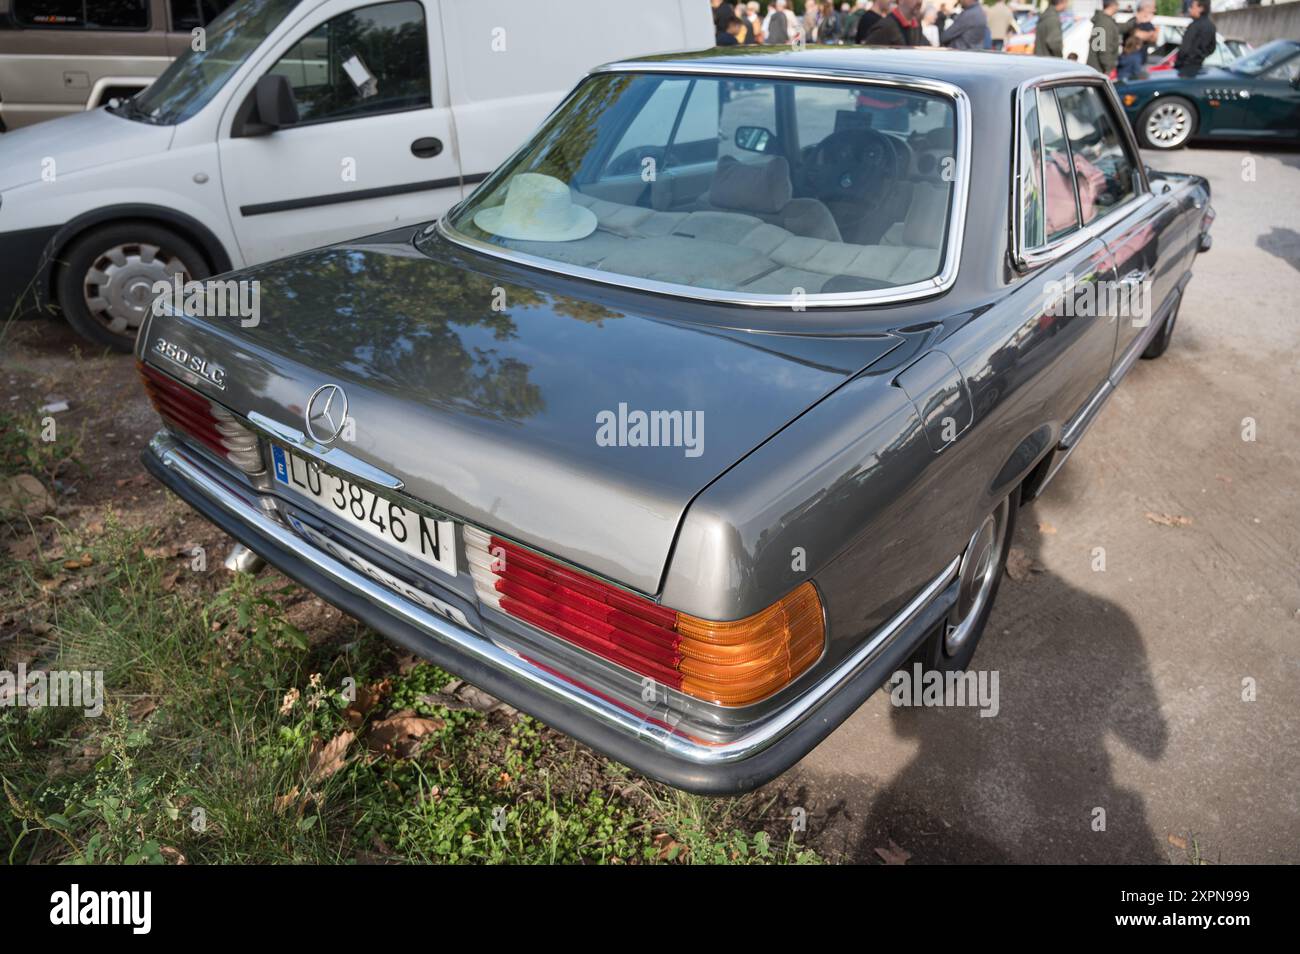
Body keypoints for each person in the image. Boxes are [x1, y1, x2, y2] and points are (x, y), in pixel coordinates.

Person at [1174, 0, 1215, 77]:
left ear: (1201, 8)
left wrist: (1178, 63)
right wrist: (1201, 55)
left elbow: (1184, 49)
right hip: (1198, 68)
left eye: (1192, 7)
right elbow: (1212, 48)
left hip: (1184, 68)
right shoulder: (1211, 26)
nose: (1189, 9)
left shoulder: (1194, 26)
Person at [1118, 0, 1159, 75]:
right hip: (1128, 62)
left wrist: (1148, 35)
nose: (1155, 10)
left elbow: (1154, 38)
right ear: (1146, 8)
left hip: (1141, 62)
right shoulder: (1133, 21)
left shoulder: (1149, 24)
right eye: (1153, 8)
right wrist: (1149, 34)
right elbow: (1137, 34)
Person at [1086, 0, 1121, 74]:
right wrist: (1108, 68)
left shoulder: (1103, 20)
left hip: (1097, 68)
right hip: (1099, 70)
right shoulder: (1105, 22)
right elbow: (1103, 48)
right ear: (1113, 5)